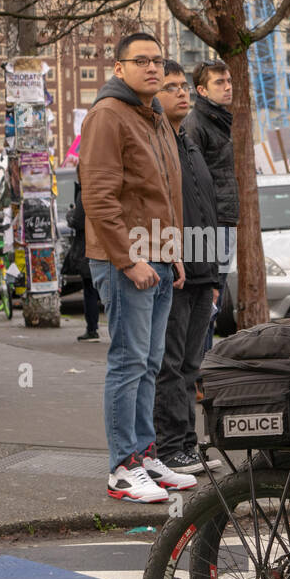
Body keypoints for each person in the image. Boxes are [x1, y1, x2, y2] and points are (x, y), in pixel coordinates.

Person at [79, 32, 188, 503]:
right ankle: (122, 467)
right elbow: (99, 197)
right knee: (128, 363)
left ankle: (144, 455)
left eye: (157, 61)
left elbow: (165, 191)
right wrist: (129, 259)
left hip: (157, 254)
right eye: (140, 60)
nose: (152, 68)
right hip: (126, 260)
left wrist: (173, 250)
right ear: (119, 68)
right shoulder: (108, 115)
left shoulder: (156, 115)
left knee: (149, 363)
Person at [152, 61, 222, 476]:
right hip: (174, 270)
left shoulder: (190, 145)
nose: (182, 93)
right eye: (171, 87)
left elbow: (206, 210)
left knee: (192, 365)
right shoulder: (157, 144)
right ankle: (169, 447)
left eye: (184, 86)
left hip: (201, 271)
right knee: (170, 362)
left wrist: (212, 277)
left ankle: (187, 444)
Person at [182, 59, 237, 347]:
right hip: (208, 227)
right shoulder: (196, 124)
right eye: (220, 82)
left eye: (228, 81)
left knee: (213, 303)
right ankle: (198, 380)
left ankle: (202, 377)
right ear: (202, 90)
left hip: (224, 222)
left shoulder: (220, 120)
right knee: (207, 303)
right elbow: (195, 184)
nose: (228, 87)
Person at [65, 180, 100, 342]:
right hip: (101, 245)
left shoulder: (85, 191)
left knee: (90, 289)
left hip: (87, 247)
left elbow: (77, 222)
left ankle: (92, 329)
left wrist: (70, 215)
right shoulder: (101, 187)